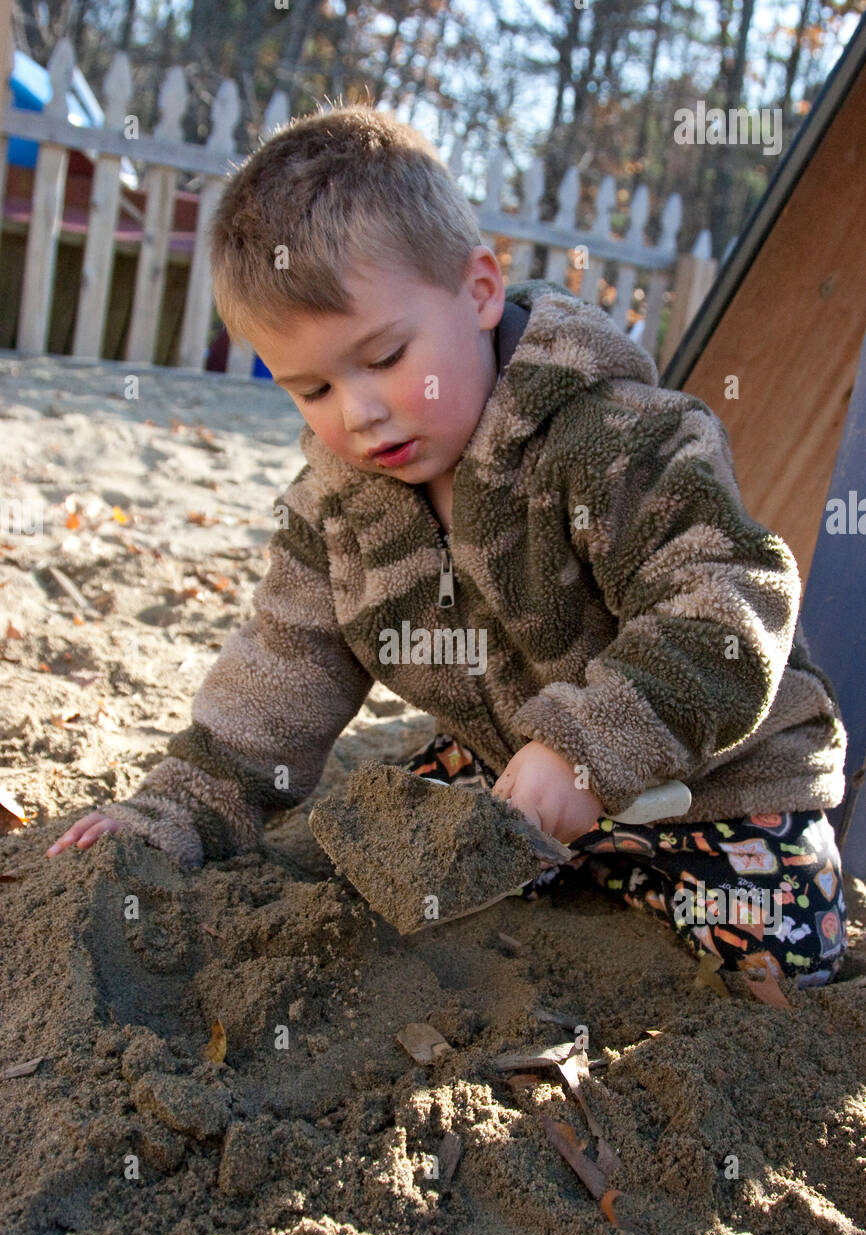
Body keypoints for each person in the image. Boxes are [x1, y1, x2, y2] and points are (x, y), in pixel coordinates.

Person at [47, 103, 849, 990]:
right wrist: (176, 810)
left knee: (784, 954)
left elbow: (730, 608)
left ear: (478, 292)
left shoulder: (614, 439)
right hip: (517, 784)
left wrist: (584, 748)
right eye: (311, 387)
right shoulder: (338, 512)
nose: (359, 414)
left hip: (716, 787)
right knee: (371, 854)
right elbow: (277, 682)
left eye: (387, 357)